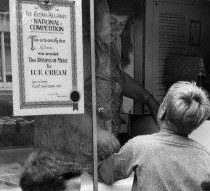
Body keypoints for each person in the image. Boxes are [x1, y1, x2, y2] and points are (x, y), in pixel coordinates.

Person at [34, 0, 159, 170]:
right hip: (65, 159)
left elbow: (115, 76)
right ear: (94, 18)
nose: (116, 30)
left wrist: (147, 98)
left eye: (122, 24)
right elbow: (59, 96)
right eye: (112, 22)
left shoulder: (108, 45)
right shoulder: (82, 46)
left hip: (92, 158)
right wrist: (97, 133)